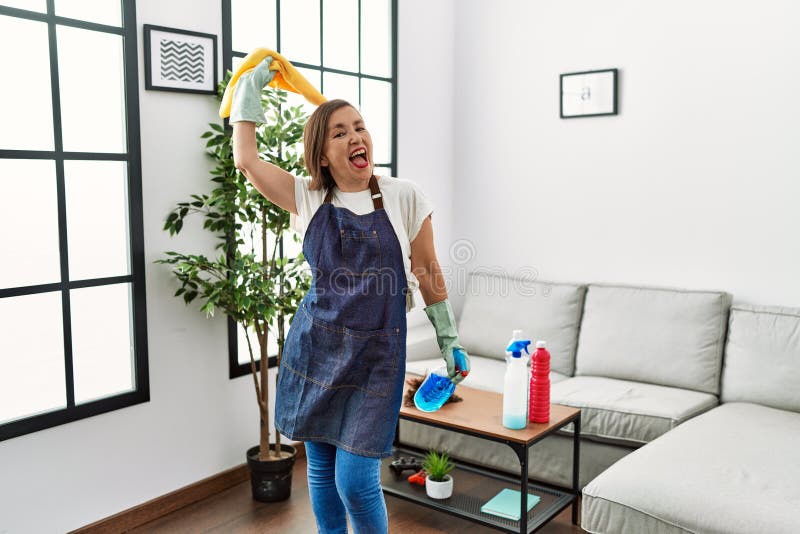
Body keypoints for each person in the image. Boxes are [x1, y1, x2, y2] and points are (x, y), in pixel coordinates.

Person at [230, 57, 470, 534]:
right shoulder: (308, 198)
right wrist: (249, 87)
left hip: (378, 357)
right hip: (316, 350)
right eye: (339, 132)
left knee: (356, 481)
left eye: (359, 126)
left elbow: (426, 268)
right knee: (319, 468)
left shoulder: (404, 196)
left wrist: (448, 339)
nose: (355, 137)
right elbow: (246, 160)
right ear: (321, 154)